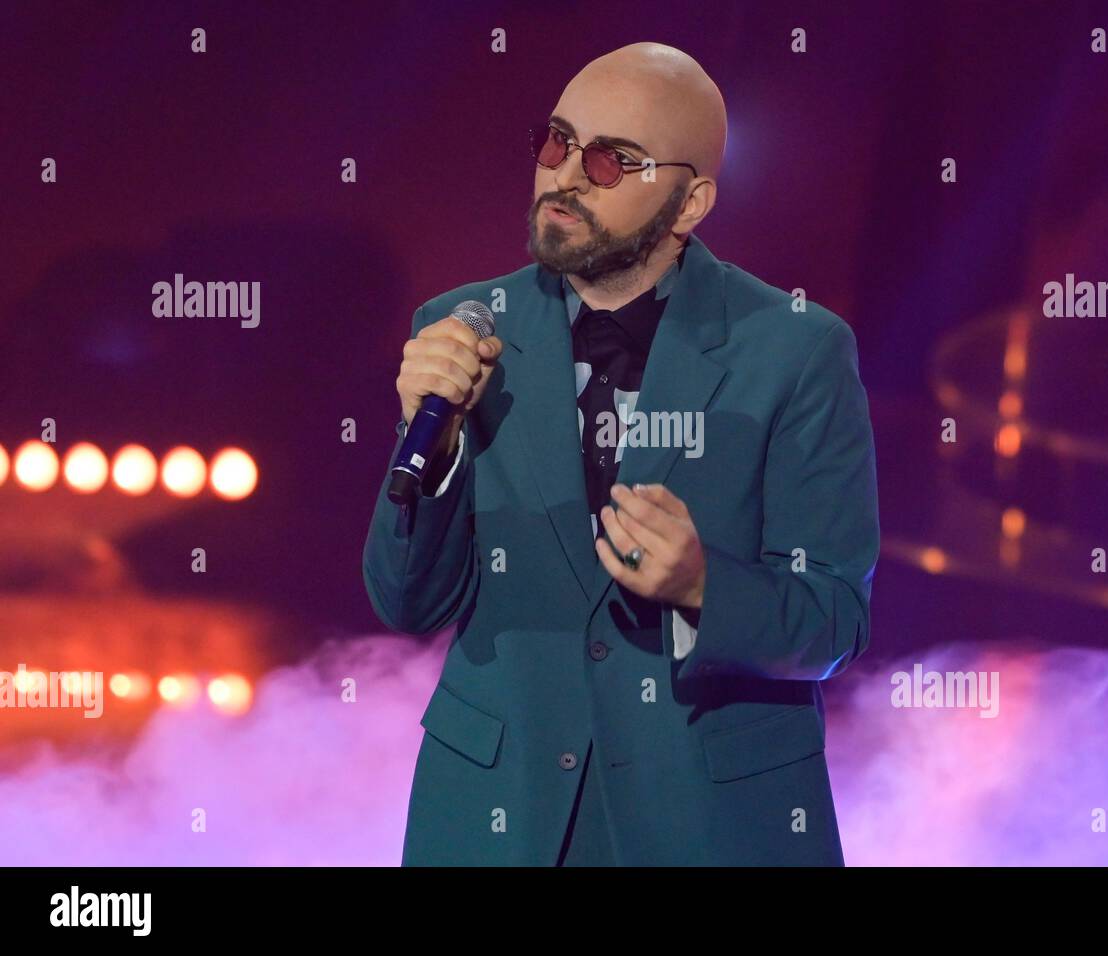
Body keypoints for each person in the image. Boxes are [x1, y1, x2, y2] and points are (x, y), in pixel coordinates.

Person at [362, 41, 880, 866]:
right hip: (501, 816)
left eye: (611, 161)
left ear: (689, 203)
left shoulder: (795, 349)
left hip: (711, 825)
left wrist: (706, 586)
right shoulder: (460, 326)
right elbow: (406, 602)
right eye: (557, 142)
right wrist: (443, 446)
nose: (565, 175)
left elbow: (834, 621)